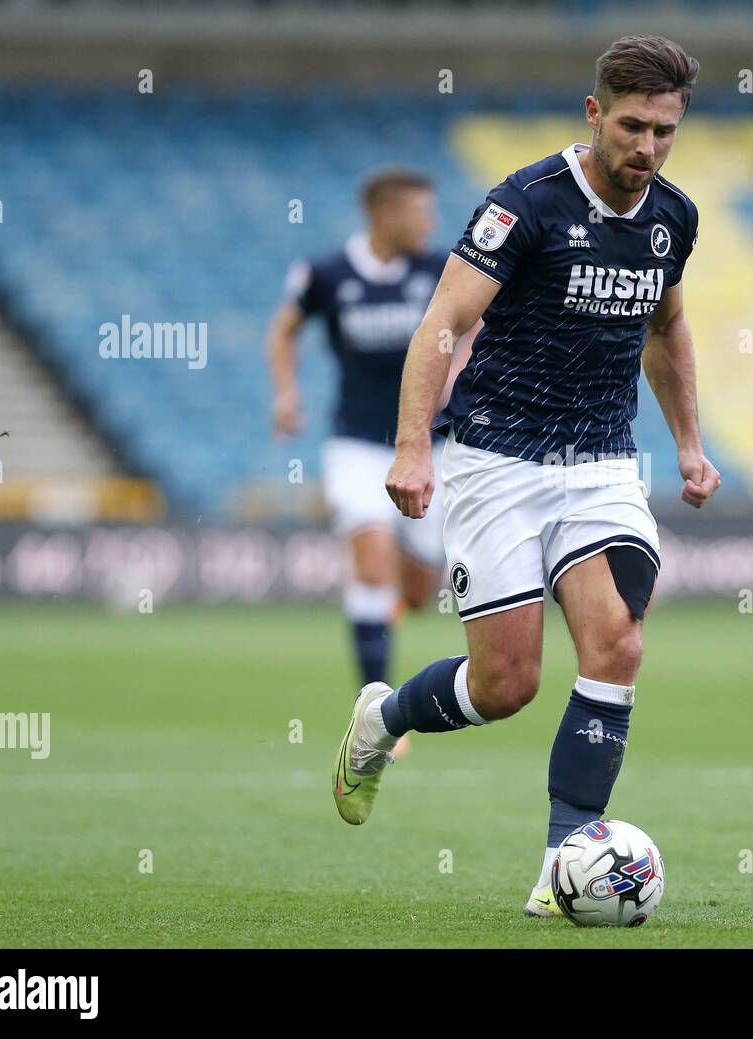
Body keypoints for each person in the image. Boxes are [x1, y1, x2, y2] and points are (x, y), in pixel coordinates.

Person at [331, 35, 720, 918]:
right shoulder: (526, 204)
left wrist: (688, 442)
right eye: (632, 126)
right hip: (498, 461)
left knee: (616, 642)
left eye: (665, 131)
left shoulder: (675, 218)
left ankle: (564, 861)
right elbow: (443, 319)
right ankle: (384, 719)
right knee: (506, 684)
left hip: (602, 465)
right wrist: (411, 445)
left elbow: (666, 328)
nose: (648, 148)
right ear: (594, 114)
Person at [268, 171, 471, 747]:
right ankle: (377, 708)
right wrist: (287, 394)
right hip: (357, 445)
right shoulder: (326, 273)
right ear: (385, 215)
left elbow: (476, 323)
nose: (430, 223)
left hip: (431, 447)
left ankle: (386, 614)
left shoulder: (438, 272)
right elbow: (283, 331)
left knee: (421, 585)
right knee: (373, 560)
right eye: (420, 213)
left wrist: (457, 371)